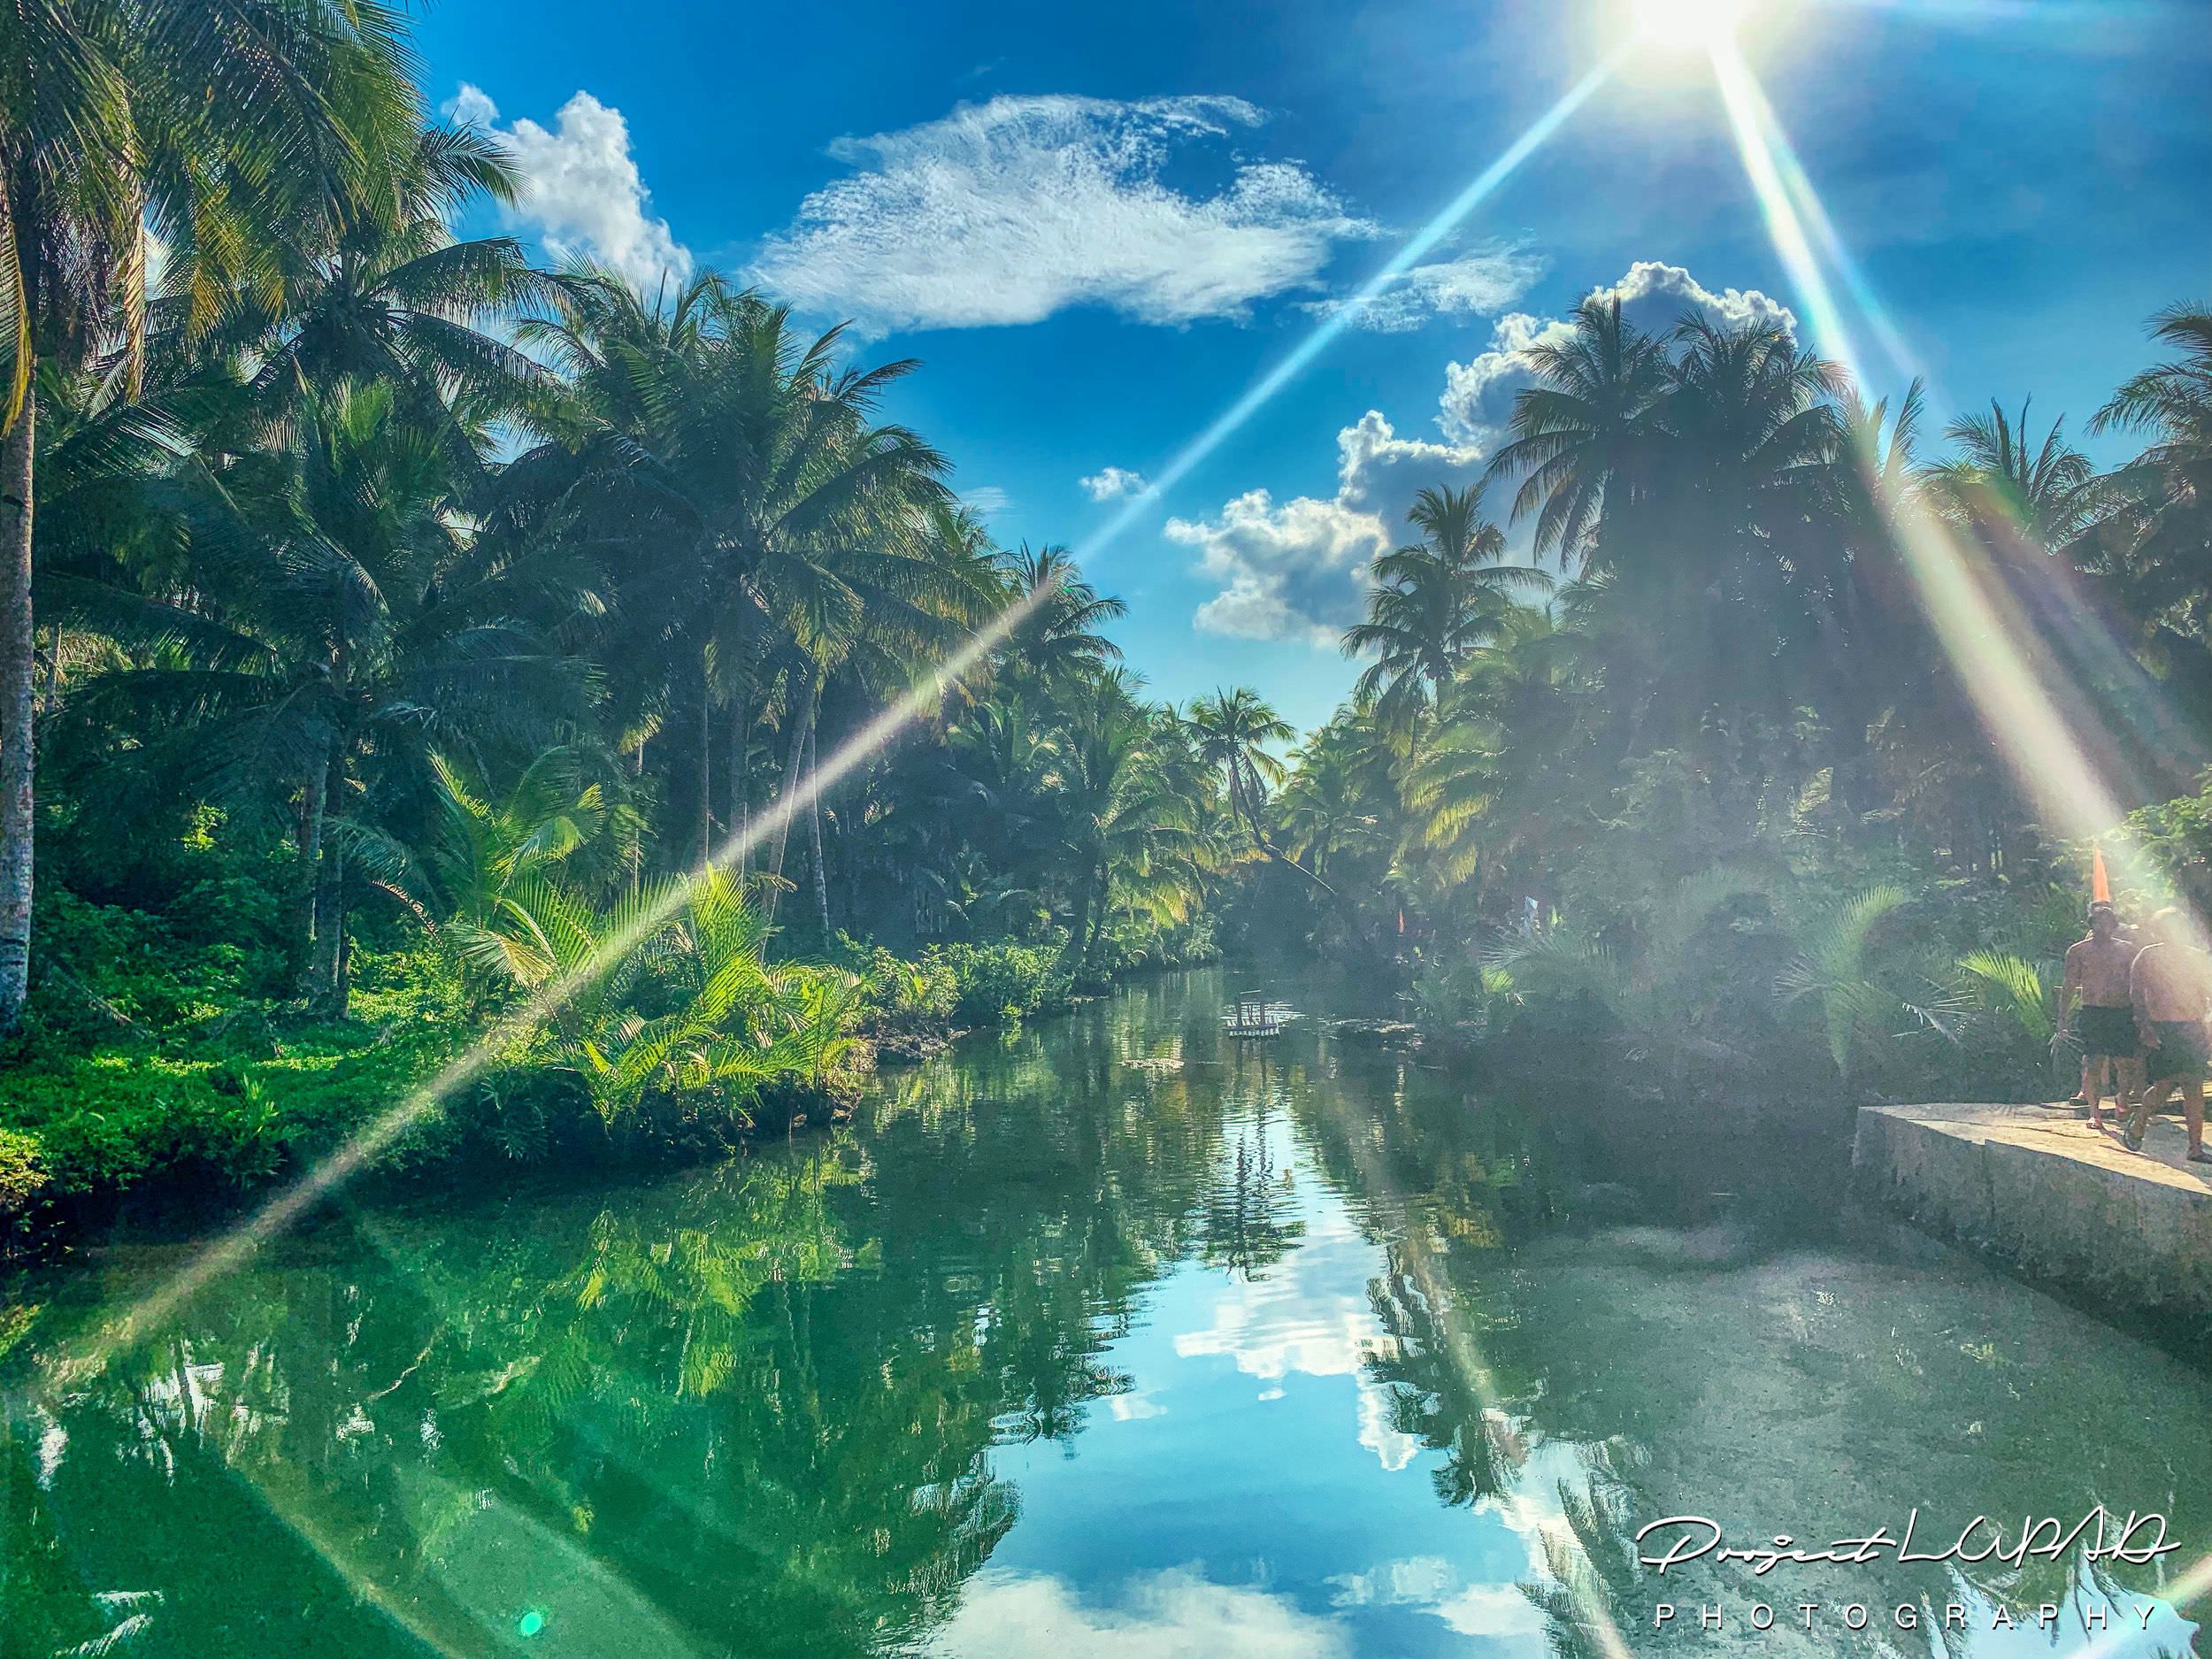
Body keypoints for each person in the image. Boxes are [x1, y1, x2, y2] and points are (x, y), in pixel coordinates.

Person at [2124, 907, 2212, 1162]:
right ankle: (2140, 1119)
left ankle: (2195, 1147)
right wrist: (2144, 1027)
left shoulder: (2196, 957)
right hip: (2164, 1028)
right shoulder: (2147, 957)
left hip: (2192, 1027)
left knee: (2193, 1086)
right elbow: (2136, 996)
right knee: (2165, 1086)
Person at [2061, 902, 2140, 1129]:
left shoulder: (2128, 950)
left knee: (2125, 1064)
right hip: (2093, 1012)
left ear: (2114, 925)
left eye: (2107, 922)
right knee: (2093, 1063)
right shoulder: (2078, 951)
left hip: (2122, 1012)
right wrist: (2062, 1019)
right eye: (2098, 922)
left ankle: (2122, 1097)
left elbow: (2138, 984)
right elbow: (2068, 986)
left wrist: (2141, 1015)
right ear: (2092, 925)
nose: (2102, 927)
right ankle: (2094, 1113)